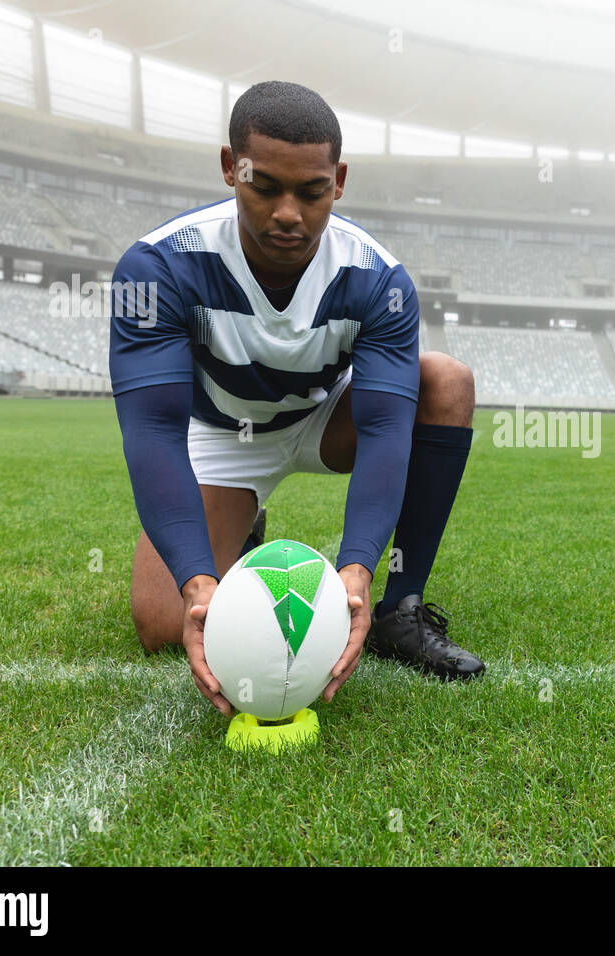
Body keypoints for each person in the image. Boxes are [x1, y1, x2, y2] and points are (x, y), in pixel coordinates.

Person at [108, 80, 484, 716]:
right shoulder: (158, 266)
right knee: (159, 622)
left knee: (445, 381)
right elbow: (153, 431)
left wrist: (358, 568)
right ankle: (242, 528)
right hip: (227, 432)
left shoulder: (378, 277)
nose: (289, 213)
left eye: (311, 192)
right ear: (231, 167)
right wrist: (198, 581)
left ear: (338, 180)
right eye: (265, 188)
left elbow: (389, 431)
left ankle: (399, 607)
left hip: (327, 416)